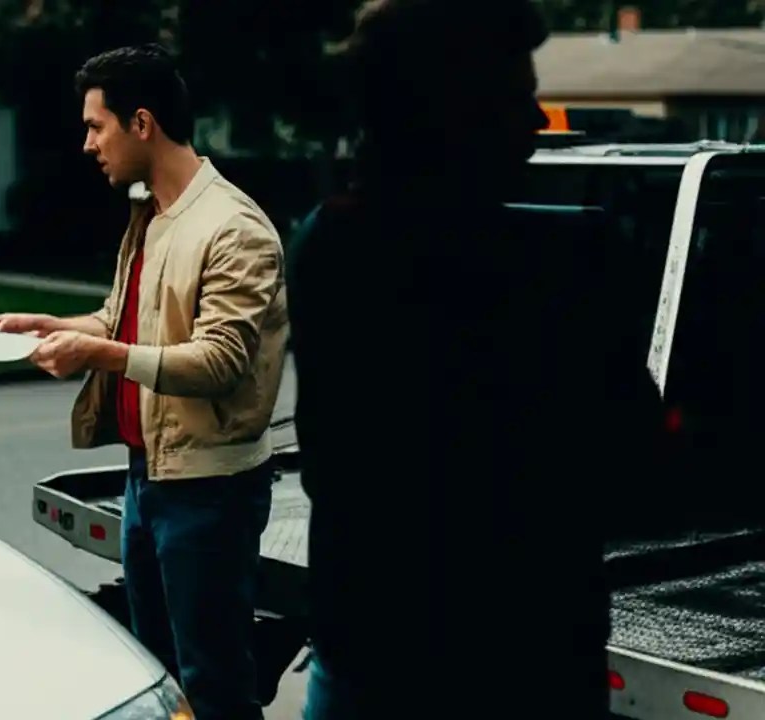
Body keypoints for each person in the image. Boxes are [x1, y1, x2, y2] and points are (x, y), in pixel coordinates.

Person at [285, 1, 666, 718]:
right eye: (516, 99)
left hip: (371, 653)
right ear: (448, 111)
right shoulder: (557, 268)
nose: (535, 122)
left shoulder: (331, 248)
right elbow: (633, 464)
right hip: (523, 663)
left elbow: (339, 470)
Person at [0, 43, 290, 720]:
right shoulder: (149, 215)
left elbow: (220, 361)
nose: (87, 142)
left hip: (209, 492)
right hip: (146, 481)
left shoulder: (234, 229)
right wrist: (50, 325)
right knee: (160, 682)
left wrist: (104, 355)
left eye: (97, 126)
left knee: (214, 687)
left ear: (142, 123)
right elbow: (124, 319)